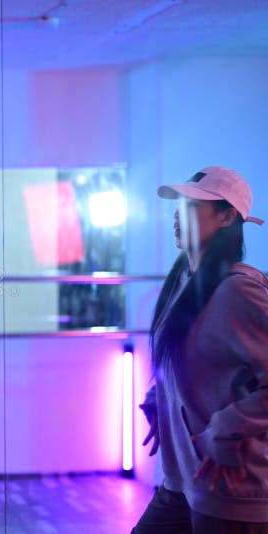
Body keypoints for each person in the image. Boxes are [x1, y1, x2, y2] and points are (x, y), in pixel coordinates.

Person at [132, 166, 268, 533]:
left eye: (193, 206)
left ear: (226, 217)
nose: (178, 214)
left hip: (230, 484)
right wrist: (160, 400)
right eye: (179, 205)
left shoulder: (240, 290)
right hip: (182, 480)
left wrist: (222, 429)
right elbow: (189, 358)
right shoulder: (184, 280)